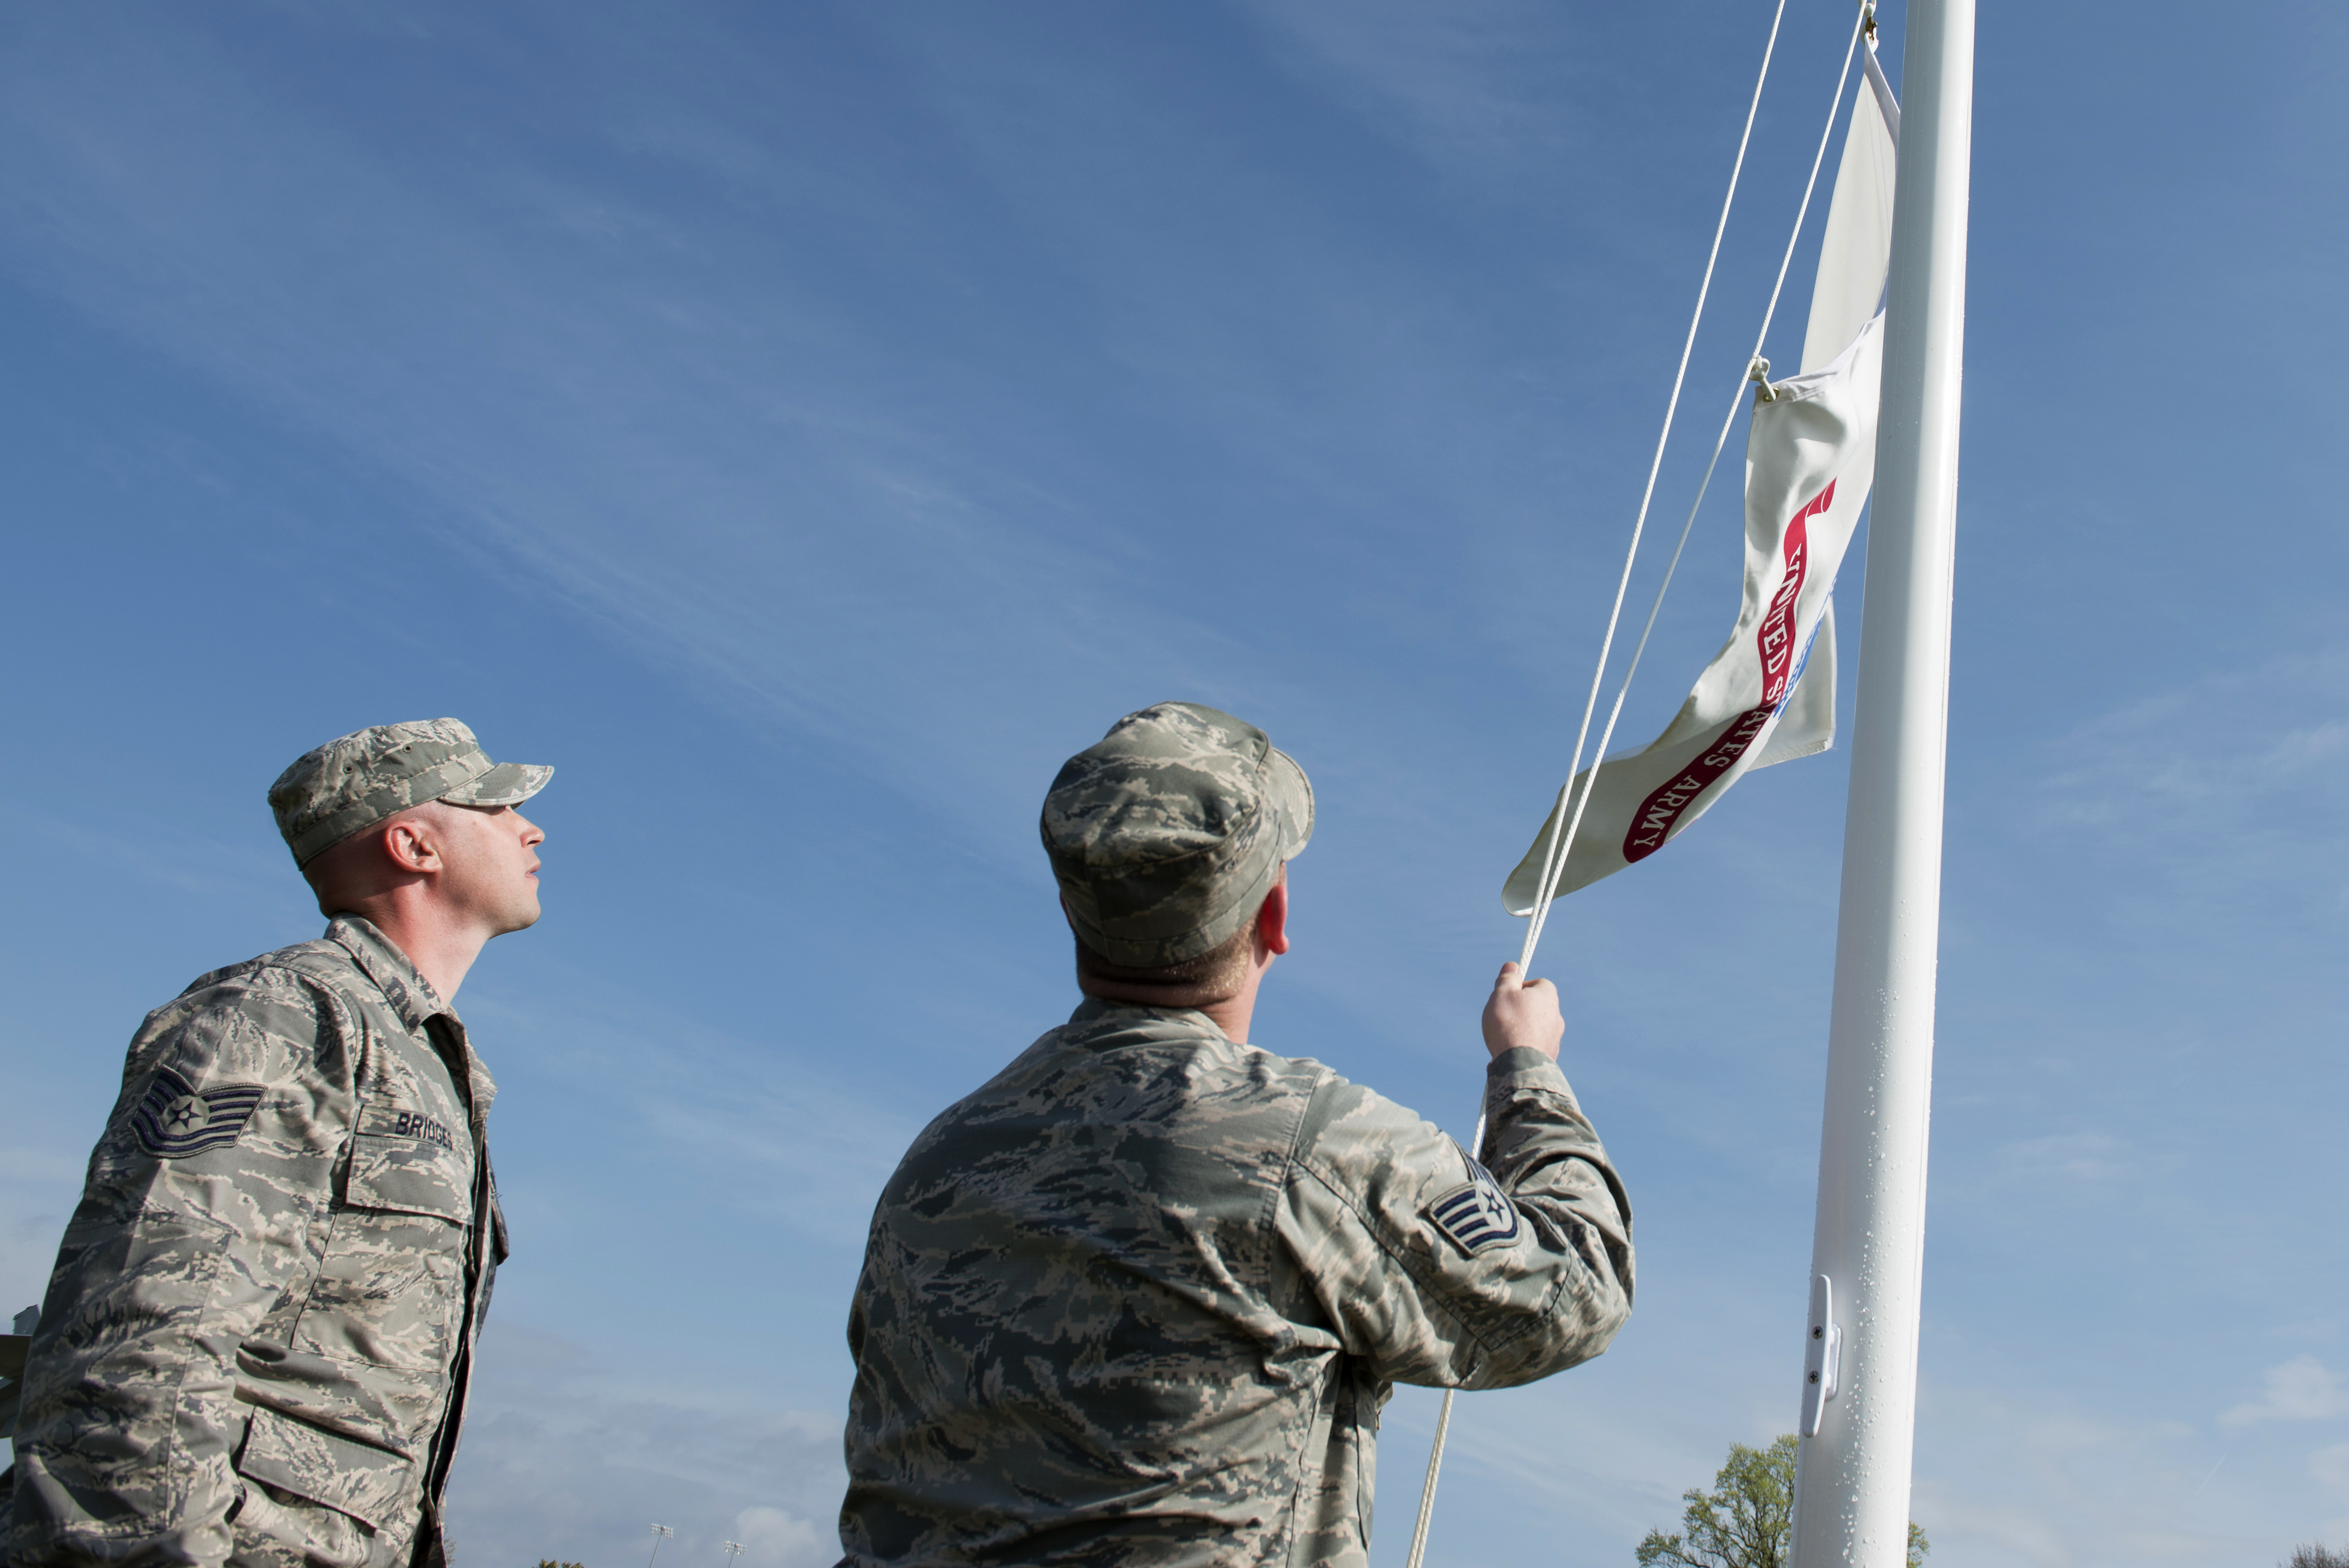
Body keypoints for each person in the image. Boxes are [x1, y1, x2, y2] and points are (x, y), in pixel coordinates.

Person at [836, 701, 1635, 1568]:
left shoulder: (935, 1164)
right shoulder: (1306, 1146)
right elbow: (1573, 1288)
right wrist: (1527, 1067)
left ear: (1073, 908)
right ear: (1274, 915)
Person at [3, 719, 550, 1568]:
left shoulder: (430, 1061)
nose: (529, 824)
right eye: (493, 804)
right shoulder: (283, 1016)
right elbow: (139, 1340)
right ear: (413, 844)